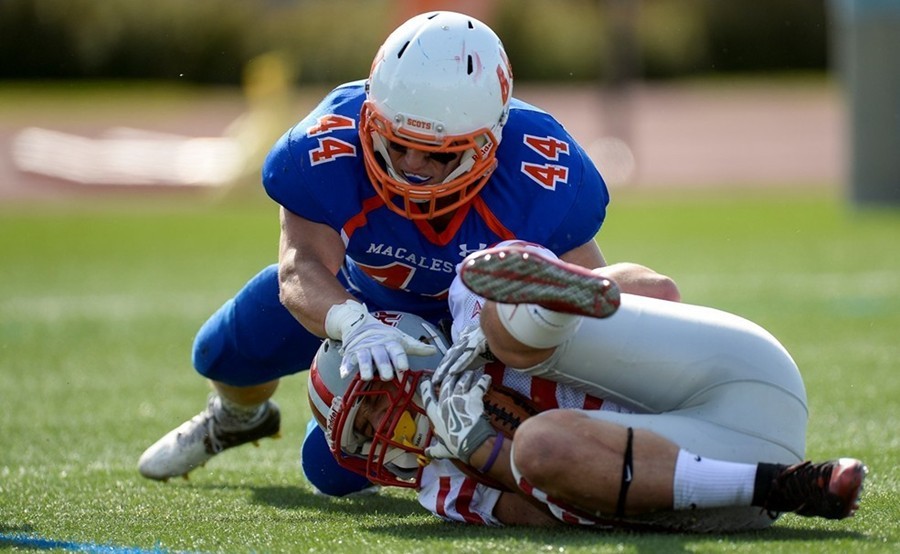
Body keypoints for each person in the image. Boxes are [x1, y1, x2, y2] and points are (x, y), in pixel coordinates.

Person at [137, 11, 679, 496]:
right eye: (396, 144)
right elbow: (300, 267)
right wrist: (352, 323)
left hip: (473, 331)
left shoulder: (541, 170)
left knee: (329, 469)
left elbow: (585, 292)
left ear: (487, 141)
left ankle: (449, 450)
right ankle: (238, 418)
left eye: (436, 154)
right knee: (220, 353)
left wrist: (510, 356)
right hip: (356, 295)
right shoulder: (328, 142)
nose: (410, 167)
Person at [309, 243, 867, 531]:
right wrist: (485, 451)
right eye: (364, 434)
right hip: (726, 487)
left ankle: (535, 311)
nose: (382, 431)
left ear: (411, 345)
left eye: (373, 404)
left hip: (740, 372)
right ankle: (790, 485)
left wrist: (488, 336)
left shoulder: (466, 307)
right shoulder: (441, 485)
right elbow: (553, 516)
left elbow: (660, 291)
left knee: (491, 304)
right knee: (540, 449)